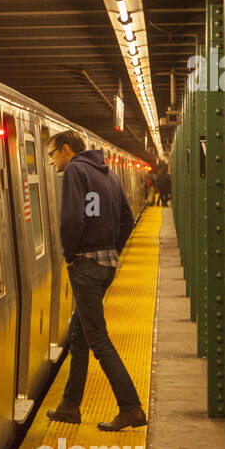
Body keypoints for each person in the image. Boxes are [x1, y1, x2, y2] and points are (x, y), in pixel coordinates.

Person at [45, 131, 147, 430]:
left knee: (98, 340)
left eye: (52, 155)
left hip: (86, 265)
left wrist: (70, 254)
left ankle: (130, 408)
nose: (51, 162)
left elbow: (71, 220)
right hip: (106, 265)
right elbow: (127, 219)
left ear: (66, 150)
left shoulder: (75, 170)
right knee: (78, 336)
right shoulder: (108, 173)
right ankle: (70, 406)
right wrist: (112, 248)